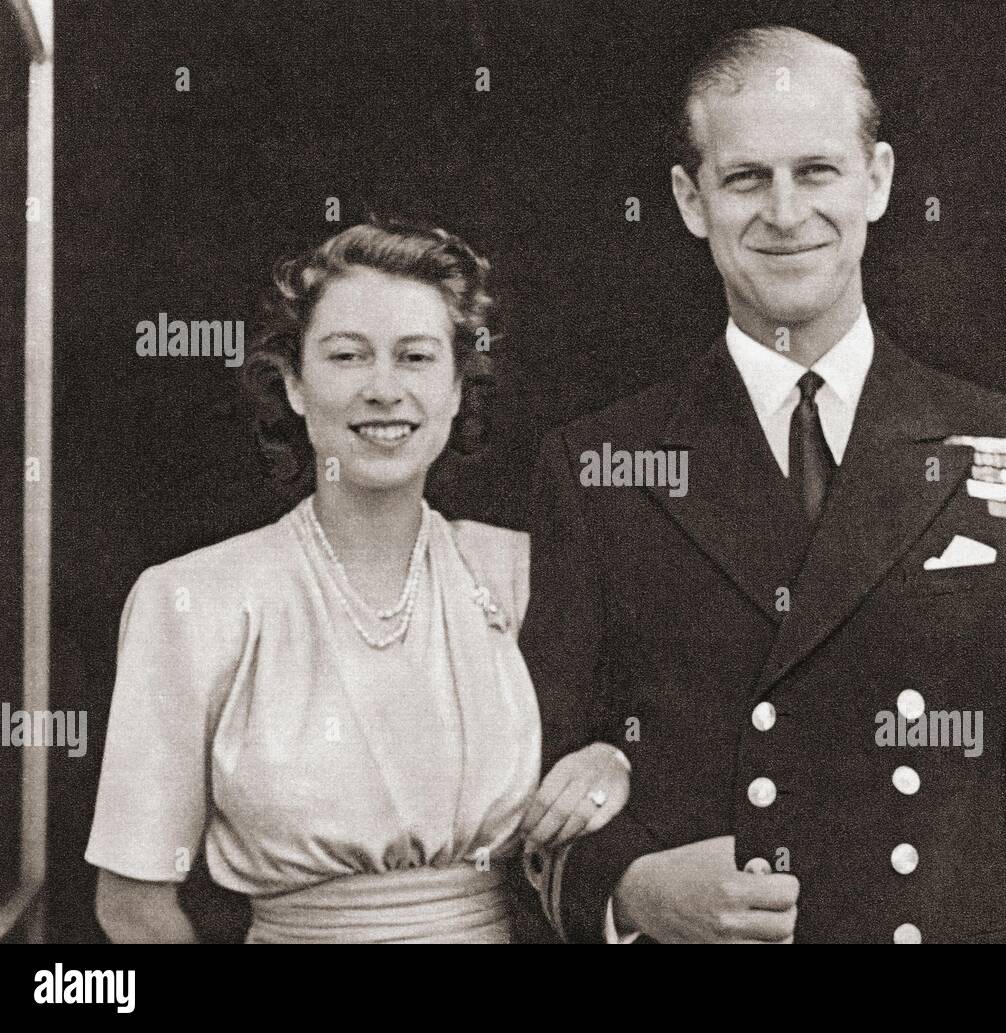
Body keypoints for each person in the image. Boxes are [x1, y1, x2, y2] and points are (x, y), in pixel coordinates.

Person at [521, 26, 1006, 943]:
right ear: (690, 199)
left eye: (818, 171)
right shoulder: (600, 465)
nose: (786, 213)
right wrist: (629, 890)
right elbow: (533, 780)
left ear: (875, 181)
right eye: (747, 177)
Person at [85, 218, 629, 943]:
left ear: (459, 387)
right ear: (295, 385)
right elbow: (132, 905)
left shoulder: (525, 573)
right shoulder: (193, 600)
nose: (384, 389)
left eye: (415, 357)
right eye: (346, 356)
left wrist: (615, 760)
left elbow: (664, 743)